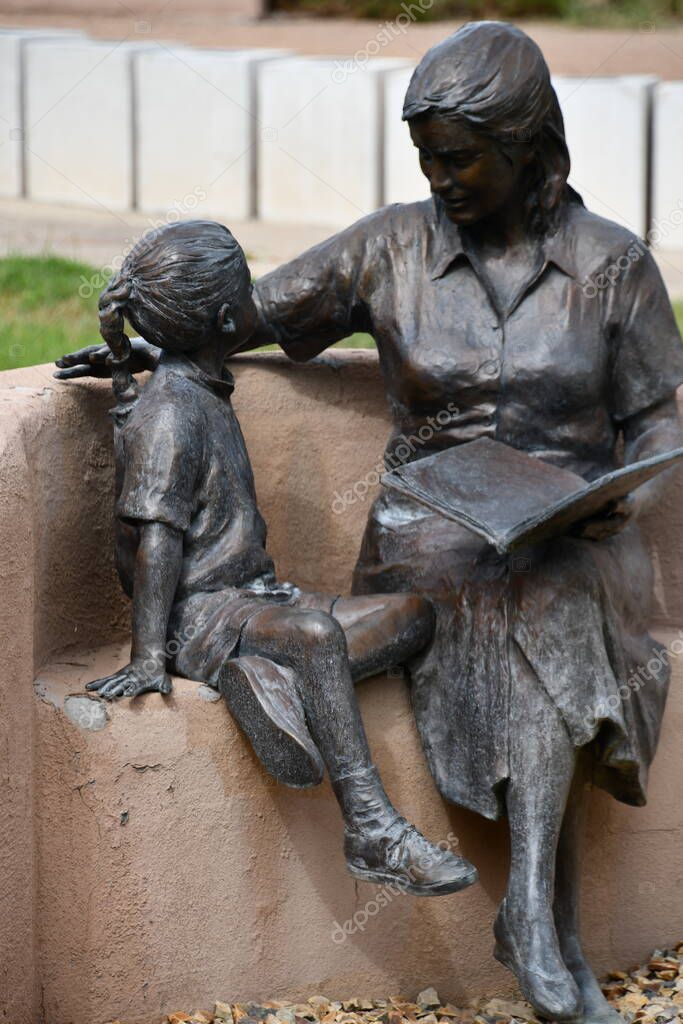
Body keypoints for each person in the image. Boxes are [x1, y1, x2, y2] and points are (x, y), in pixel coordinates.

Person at [56, 22, 683, 1024]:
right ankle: (531, 921)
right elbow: (248, 312)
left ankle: (530, 913)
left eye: (458, 156)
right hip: (428, 530)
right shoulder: (390, 244)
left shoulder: (612, 267)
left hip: (570, 533)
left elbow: (660, 410)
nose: (436, 177)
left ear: (524, 144)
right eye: (424, 158)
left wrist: (628, 497)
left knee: (554, 590)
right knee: (495, 591)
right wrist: (147, 342)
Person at [83, 218, 477, 899]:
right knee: (316, 636)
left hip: (257, 601)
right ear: (230, 318)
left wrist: (131, 356)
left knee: (416, 615)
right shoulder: (171, 411)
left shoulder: (195, 387)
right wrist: (150, 655)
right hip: (203, 618)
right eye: (247, 297)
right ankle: (372, 828)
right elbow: (154, 541)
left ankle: (273, 678)